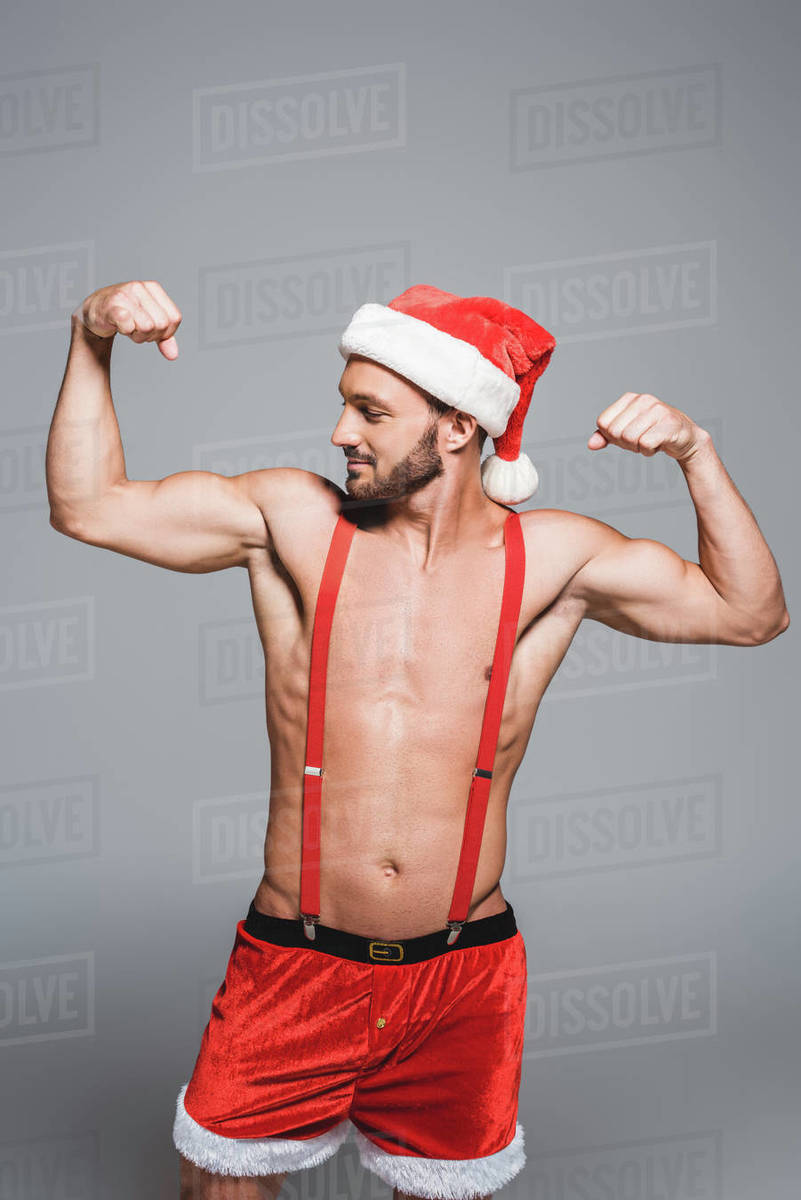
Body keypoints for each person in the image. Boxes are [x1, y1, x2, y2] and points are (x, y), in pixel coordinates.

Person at [46, 280, 789, 1200]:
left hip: (463, 979)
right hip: (295, 961)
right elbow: (90, 507)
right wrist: (91, 336)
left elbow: (750, 614)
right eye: (343, 406)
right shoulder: (291, 520)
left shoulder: (556, 557)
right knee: (221, 1187)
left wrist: (695, 453)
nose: (340, 434)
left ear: (456, 427)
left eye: (370, 411)